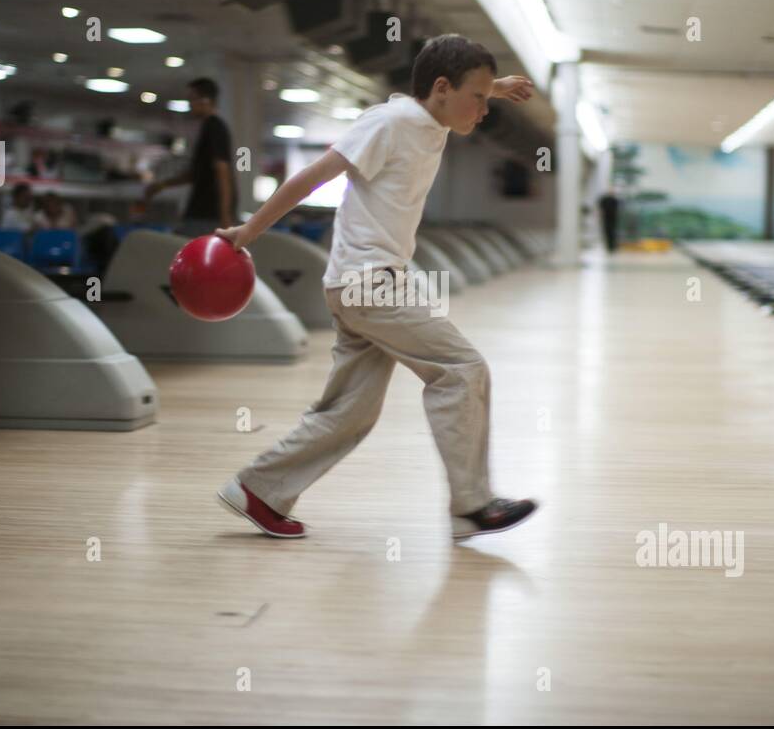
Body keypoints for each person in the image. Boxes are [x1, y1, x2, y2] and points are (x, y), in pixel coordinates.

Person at [212, 34, 538, 541]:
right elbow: (313, 177)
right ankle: (472, 503)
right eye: (476, 97)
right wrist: (248, 231)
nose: (484, 108)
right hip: (369, 283)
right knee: (461, 368)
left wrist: (494, 87)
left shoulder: (434, 115)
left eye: (484, 96)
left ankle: (259, 489)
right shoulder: (389, 122)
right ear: (443, 89)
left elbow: (456, 89)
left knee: (350, 411)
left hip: (364, 283)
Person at [142, 77, 235, 235]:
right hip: (201, 213)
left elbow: (223, 171)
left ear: (205, 100)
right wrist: (162, 185)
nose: (189, 104)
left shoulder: (215, 128)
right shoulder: (208, 128)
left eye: (191, 99)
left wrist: (225, 218)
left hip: (208, 214)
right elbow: (197, 173)